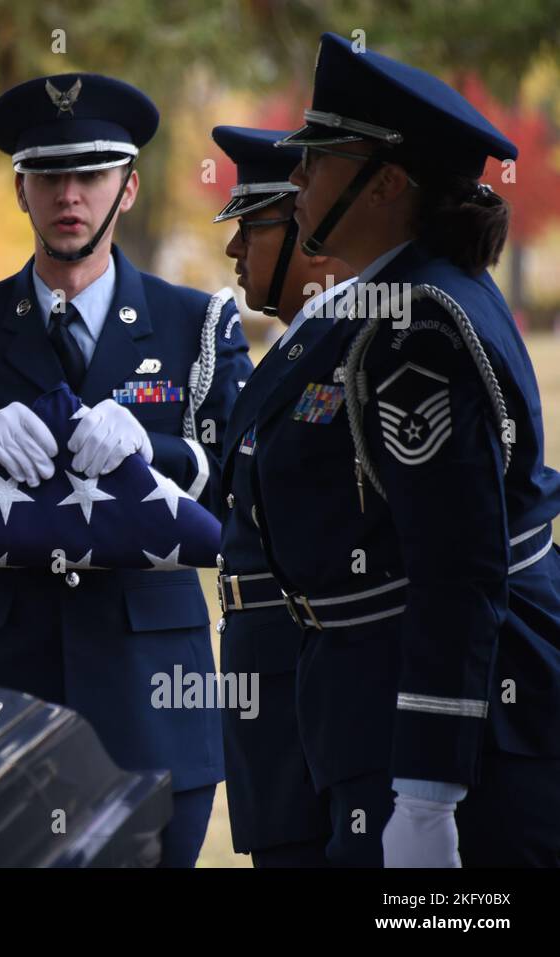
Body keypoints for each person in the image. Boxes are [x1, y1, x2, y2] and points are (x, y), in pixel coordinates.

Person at [0, 73, 253, 867]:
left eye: (91, 174)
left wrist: (159, 451)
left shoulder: (197, 323)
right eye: (48, 176)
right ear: (19, 190)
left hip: (153, 687)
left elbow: (260, 493)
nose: (68, 195)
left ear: (129, 187)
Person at [253, 32, 560, 866]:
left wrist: (428, 793)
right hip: (365, 700)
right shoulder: (386, 306)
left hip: (450, 727)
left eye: (318, 162)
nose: (299, 181)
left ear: (386, 183)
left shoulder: (422, 327)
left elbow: (458, 568)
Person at [209, 124, 354, 866]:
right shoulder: (299, 347)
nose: (235, 249)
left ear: (310, 230)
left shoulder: (355, 345)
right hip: (269, 693)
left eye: (252, 226)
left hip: (320, 692)